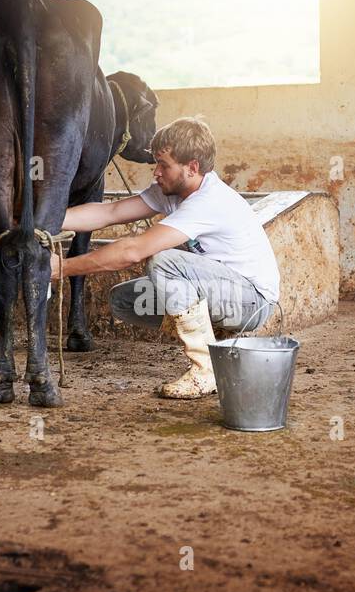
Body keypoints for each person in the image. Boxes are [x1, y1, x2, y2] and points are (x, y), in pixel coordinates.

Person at [52, 116, 280, 398]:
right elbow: (110, 213)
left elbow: (133, 251)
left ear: (192, 167)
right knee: (126, 300)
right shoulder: (172, 192)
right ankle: (219, 342)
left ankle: (207, 369)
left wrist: (62, 267)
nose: (156, 173)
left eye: (164, 165)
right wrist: (46, 219)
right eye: (156, 163)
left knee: (165, 262)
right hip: (222, 290)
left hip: (251, 302)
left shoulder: (208, 201)